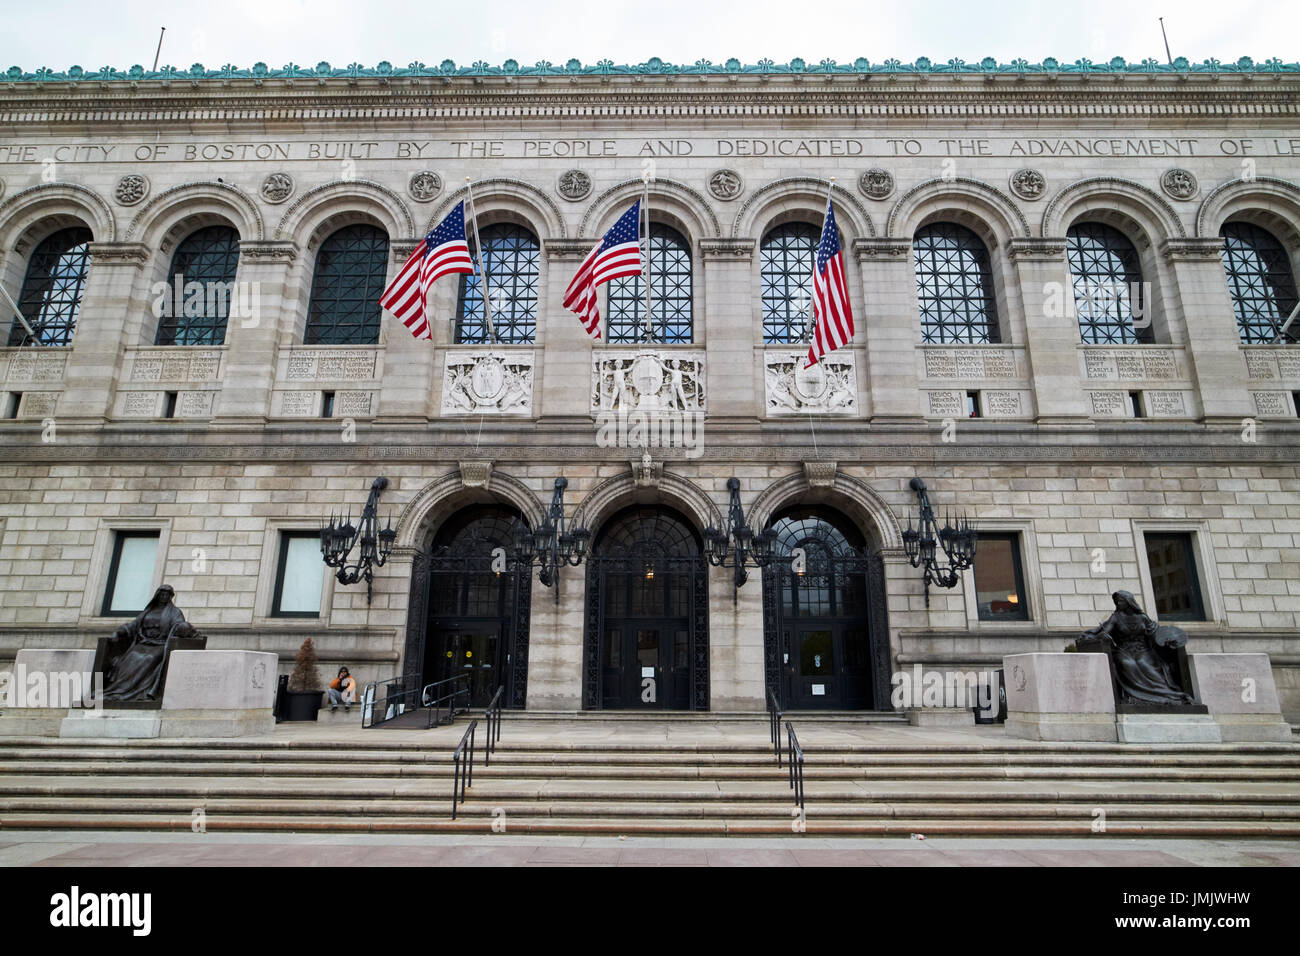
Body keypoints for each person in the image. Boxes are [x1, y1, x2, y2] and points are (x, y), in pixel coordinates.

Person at [1078, 590, 1192, 705]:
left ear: (1129, 602)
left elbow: (1155, 633)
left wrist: (1167, 640)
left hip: (1143, 650)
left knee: (1146, 665)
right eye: (1117, 602)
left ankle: (1165, 695)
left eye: (1121, 601)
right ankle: (1138, 696)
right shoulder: (1116, 617)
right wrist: (1104, 635)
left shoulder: (1142, 617)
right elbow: (1105, 631)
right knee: (1127, 664)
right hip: (1123, 651)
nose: (1118, 604)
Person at [102, 585, 202, 702]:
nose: (164, 596)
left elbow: (178, 625)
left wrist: (184, 628)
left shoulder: (175, 612)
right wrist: (119, 632)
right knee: (131, 658)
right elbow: (133, 625)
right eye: (162, 594)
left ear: (170, 597)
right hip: (143, 643)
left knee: (149, 658)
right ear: (157, 595)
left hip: (160, 645)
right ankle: (118, 690)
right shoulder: (148, 611)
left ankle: (136, 691)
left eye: (167, 595)